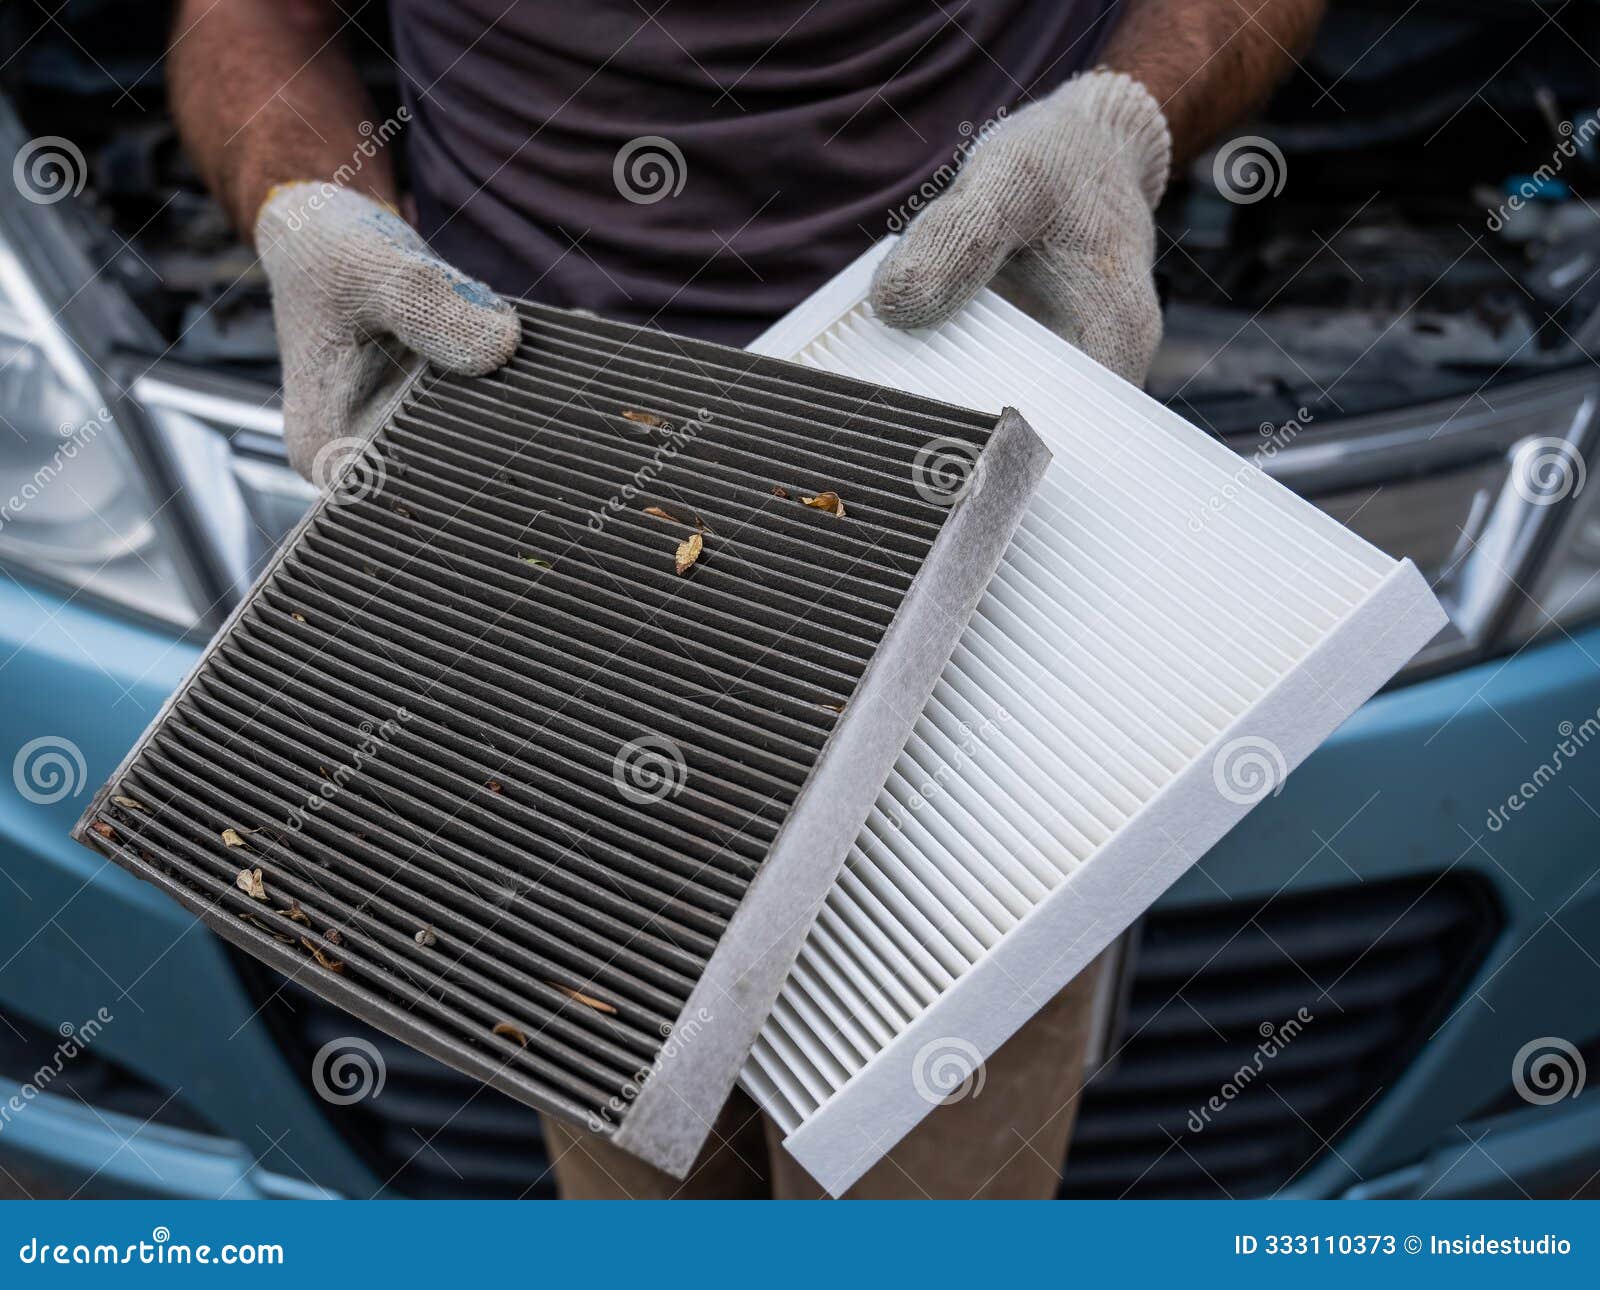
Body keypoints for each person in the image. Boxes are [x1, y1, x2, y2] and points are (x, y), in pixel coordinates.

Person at [171, 0, 1326, 1198]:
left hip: (966, 515)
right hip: (558, 533)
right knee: (638, 1181)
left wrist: (1123, 116)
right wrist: (306, 198)